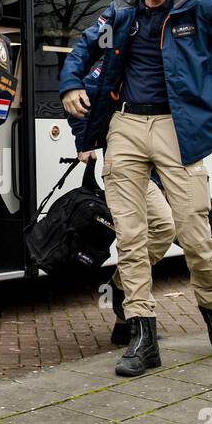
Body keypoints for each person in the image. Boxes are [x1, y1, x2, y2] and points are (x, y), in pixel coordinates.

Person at [60, 0, 212, 376]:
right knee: (131, 238)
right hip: (126, 126)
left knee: (193, 231)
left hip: (177, 128)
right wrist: (72, 83)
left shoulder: (201, 5)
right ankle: (142, 336)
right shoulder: (122, 11)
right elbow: (83, 48)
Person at [68, 62, 175, 345]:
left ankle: (119, 299)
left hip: (155, 166)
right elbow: (78, 99)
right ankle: (129, 321)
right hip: (127, 166)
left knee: (162, 229)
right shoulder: (119, 57)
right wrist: (85, 141)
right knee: (136, 238)